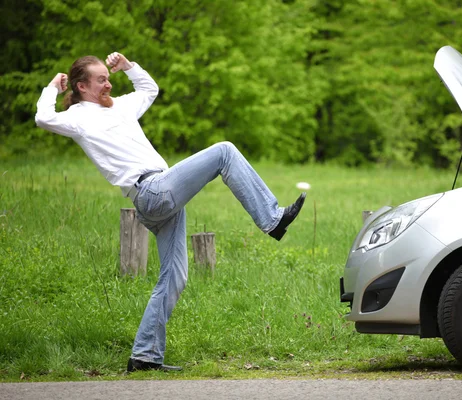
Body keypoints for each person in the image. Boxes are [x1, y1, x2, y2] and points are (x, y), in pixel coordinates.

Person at [35, 51, 306, 372]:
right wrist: (52, 87)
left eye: (109, 78)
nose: (109, 83)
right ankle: (272, 219)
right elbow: (43, 118)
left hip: (159, 198)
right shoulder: (79, 118)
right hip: (151, 192)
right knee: (224, 151)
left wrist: (129, 67)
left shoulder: (119, 107)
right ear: (81, 87)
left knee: (174, 277)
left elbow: (149, 90)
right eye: (102, 79)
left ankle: (144, 356)